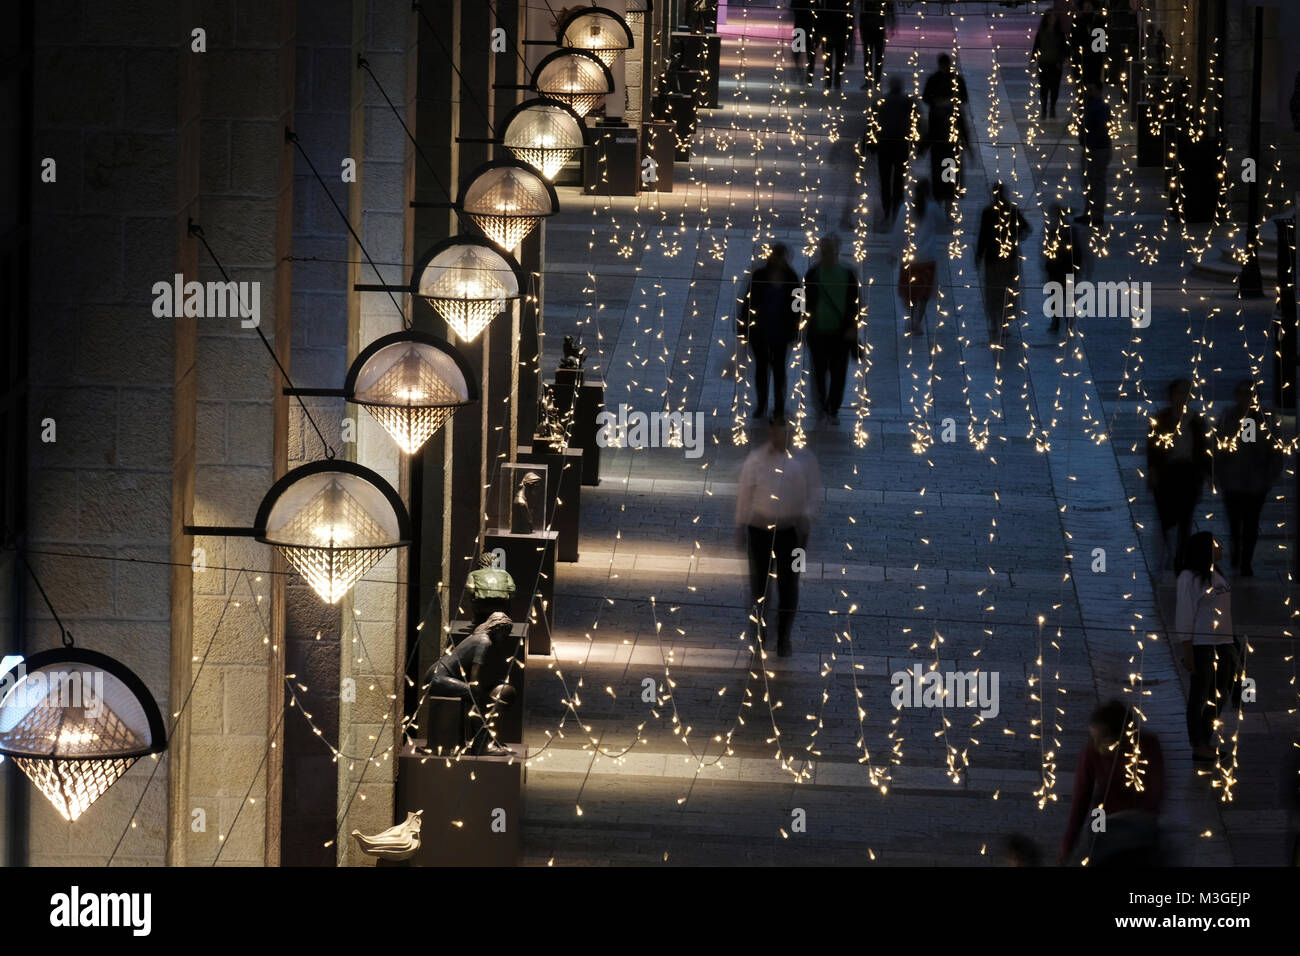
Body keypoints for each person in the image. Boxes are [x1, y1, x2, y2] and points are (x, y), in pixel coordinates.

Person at [735, 419, 822, 658]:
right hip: (760, 531)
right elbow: (745, 492)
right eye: (774, 431)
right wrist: (741, 524)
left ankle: (784, 637)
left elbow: (815, 492)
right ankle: (760, 635)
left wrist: (807, 517)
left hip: (793, 535)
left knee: (790, 584)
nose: (778, 436)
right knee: (759, 586)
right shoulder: (756, 459)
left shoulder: (805, 460)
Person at [1058, 700, 1165, 866]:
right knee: (1097, 848)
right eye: (1094, 738)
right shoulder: (1091, 751)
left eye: (1103, 739)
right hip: (1101, 813)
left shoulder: (1147, 745)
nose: (1097, 745)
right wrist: (1067, 847)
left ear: (1121, 735)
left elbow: (1156, 790)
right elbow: (1081, 799)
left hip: (1138, 818)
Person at [1175, 531, 1236, 763]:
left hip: (1223, 643)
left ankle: (1205, 739)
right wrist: (1188, 649)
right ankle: (1198, 744)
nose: (1220, 547)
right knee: (1200, 696)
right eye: (1216, 544)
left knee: (1221, 693)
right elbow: (1185, 615)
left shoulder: (1216, 573)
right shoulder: (1188, 578)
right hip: (1203, 645)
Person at [1215, 380, 1283, 577]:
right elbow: (1217, 444)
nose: (1247, 399)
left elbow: (1275, 451)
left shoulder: (1265, 419)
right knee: (1235, 521)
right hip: (1233, 481)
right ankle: (1237, 551)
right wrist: (1219, 472)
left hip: (1255, 483)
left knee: (1251, 522)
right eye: (1243, 394)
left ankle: (1246, 560)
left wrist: (1269, 476)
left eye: (1250, 395)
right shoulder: (1228, 416)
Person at [1146, 378, 1211, 571]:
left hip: (1188, 473)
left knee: (1186, 517)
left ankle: (1180, 557)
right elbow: (1152, 448)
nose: (1182, 397)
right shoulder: (1161, 419)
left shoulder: (1195, 420)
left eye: (1185, 393)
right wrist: (1152, 471)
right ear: (1171, 396)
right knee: (1166, 516)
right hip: (1167, 474)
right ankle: (1170, 549)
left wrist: (1206, 472)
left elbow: (1202, 449)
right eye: (1178, 393)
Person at [738, 245, 802, 423]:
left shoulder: (791, 278)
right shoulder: (759, 275)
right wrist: (744, 326)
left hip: (781, 334)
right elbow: (748, 301)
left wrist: (796, 327)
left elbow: (799, 306)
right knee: (761, 370)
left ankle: (779, 408)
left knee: (779, 370)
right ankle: (762, 404)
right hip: (760, 332)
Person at [804, 234, 860, 423]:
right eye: (824, 249)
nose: (826, 253)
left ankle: (833, 408)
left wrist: (853, 326)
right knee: (819, 374)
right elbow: (803, 302)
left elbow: (856, 304)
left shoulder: (847, 274)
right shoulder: (813, 274)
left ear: (837, 250)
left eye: (830, 249)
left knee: (838, 375)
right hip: (817, 333)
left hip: (840, 334)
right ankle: (821, 406)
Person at [974, 182, 1030, 349]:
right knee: (1008, 291)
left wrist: (978, 256)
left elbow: (982, 236)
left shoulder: (988, 212)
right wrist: (1017, 236)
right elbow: (1027, 229)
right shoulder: (1013, 210)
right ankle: (1004, 324)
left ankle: (994, 324)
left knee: (992, 293)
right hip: (1009, 258)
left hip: (992, 260)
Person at [890, 179, 943, 337]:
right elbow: (943, 221)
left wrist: (894, 252)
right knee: (924, 293)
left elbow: (898, 232)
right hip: (927, 257)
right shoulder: (932, 208)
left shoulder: (905, 208)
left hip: (909, 258)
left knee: (910, 292)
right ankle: (917, 322)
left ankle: (912, 318)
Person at [920, 54, 970, 216]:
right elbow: (926, 98)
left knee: (947, 174)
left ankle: (946, 208)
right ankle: (943, 206)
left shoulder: (953, 80)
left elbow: (963, 98)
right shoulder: (936, 80)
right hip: (942, 141)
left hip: (947, 142)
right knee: (941, 174)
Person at [875, 75, 918, 227]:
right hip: (901, 145)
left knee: (885, 180)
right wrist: (918, 143)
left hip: (885, 145)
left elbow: (873, 124)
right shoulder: (908, 101)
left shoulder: (881, 102)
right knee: (899, 181)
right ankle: (897, 212)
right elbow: (917, 122)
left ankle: (887, 210)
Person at [1042, 202, 1084, 335]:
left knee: (1065, 296)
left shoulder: (1066, 230)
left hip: (1064, 269)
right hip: (1057, 268)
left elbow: (1077, 251)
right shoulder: (1053, 229)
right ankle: (1060, 321)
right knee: (1057, 295)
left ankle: (1065, 321)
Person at [1076, 85, 1112, 228]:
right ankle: (1088, 212)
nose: (1088, 92)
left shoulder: (1100, 107)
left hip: (1099, 149)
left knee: (1097, 181)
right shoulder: (1089, 107)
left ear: (1098, 90)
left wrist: (1084, 108)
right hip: (1090, 148)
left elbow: (1092, 120)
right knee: (1088, 181)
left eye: (1091, 89)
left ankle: (1097, 214)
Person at [1032, 9, 1067, 118]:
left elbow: (1064, 48)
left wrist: (1063, 60)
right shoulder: (1041, 32)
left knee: (1055, 87)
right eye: (1050, 17)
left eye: (1053, 17)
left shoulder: (1059, 33)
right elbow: (1036, 46)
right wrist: (1033, 59)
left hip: (1056, 63)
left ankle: (1052, 107)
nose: (1052, 19)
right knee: (1044, 86)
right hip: (1044, 62)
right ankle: (1044, 108)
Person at [816, 0, 854, 90]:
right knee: (839, 60)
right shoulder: (845, 4)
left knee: (829, 60)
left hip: (830, 33)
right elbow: (850, 17)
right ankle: (836, 82)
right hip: (840, 33)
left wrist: (819, 34)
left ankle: (829, 82)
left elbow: (820, 17)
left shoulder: (826, 3)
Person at [857, 1, 895, 88]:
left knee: (869, 57)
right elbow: (890, 8)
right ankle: (876, 81)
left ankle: (869, 82)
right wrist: (891, 23)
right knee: (877, 57)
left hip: (868, 28)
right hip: (876, 27)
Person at [1070, 0, 1106, 90]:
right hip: (1081, 57)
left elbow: (1102, 40)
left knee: (1094, 81)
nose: (1087, 9)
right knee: (1081, 83)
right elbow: (1073, 40)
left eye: (1089, 7)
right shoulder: (1077, 22)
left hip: (1095, 57)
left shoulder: (1099, 21)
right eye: (1085, 7)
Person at [791, 0, 816, 83]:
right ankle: (808, 76)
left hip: (801, 25)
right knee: (809, 54)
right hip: (808, 26)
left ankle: (805, 75)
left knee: (798, 53)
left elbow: (793, 6)